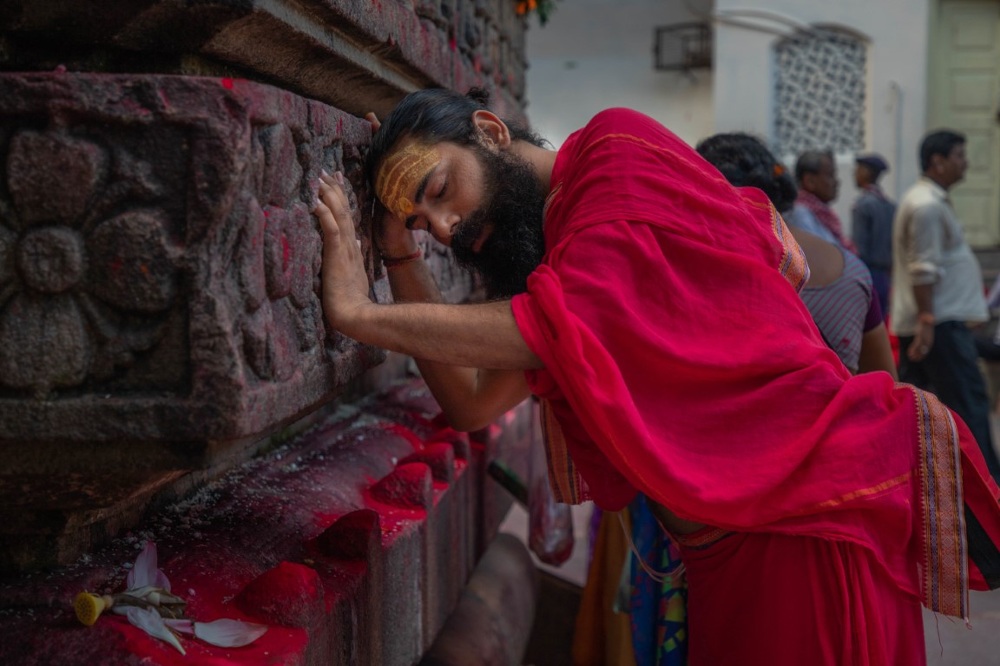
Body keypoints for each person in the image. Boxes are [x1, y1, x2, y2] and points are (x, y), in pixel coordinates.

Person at [316, 88, 1000, 664]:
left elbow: (561, 318)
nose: (445, 227)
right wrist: (399, 253)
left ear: (491, 131)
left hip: (800, 531)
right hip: (726, 553)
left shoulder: (616, 152)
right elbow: (471, 400)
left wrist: (358, 314)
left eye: (439, 190)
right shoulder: (559, 268)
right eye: (421, 224)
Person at [891, 129, 1000, 483]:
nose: (965, 162)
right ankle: (988, 492)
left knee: (922, 408)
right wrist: (927, 319)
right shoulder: (926, 205)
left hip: (937, 323)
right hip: (938, 326)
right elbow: (923, 268)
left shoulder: (931, 201)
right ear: (937, 162)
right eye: (959, 155)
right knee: (968, 404)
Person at [787, 149, 858, 254]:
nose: (836, 182)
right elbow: (821, 257)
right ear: (810, 181)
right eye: (830, 175)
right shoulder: (800, 215)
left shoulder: (821, 214)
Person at [852, 153, 896, 319]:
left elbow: (859, 248)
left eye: (857, 170)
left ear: (866, 173)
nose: (854, 175)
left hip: (867, 275)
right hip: (885, 278)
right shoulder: (889, 205)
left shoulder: (862, 205)